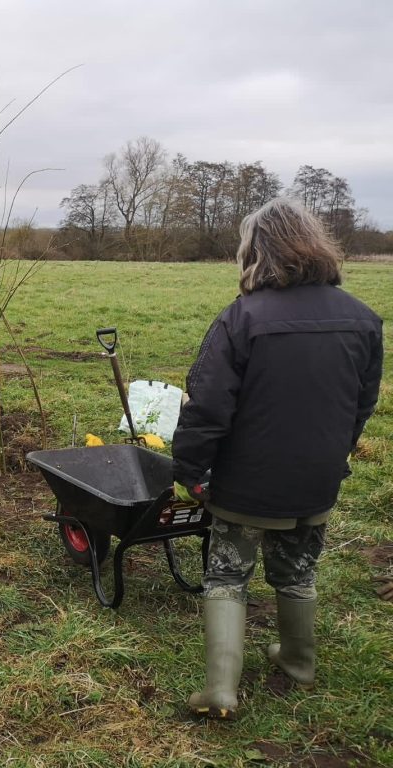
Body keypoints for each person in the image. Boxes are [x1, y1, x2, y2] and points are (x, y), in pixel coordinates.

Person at [171, 198, 383, 720]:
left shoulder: (242, 318)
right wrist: (334, 455)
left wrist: (190, 470)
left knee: (227, 576)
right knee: (298, 571)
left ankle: (221, 690)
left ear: (256, 250)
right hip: (317, 479)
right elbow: (362, 405)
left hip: (246, 484)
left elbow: (207, 407)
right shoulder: (362, 318)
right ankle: (298, 661)